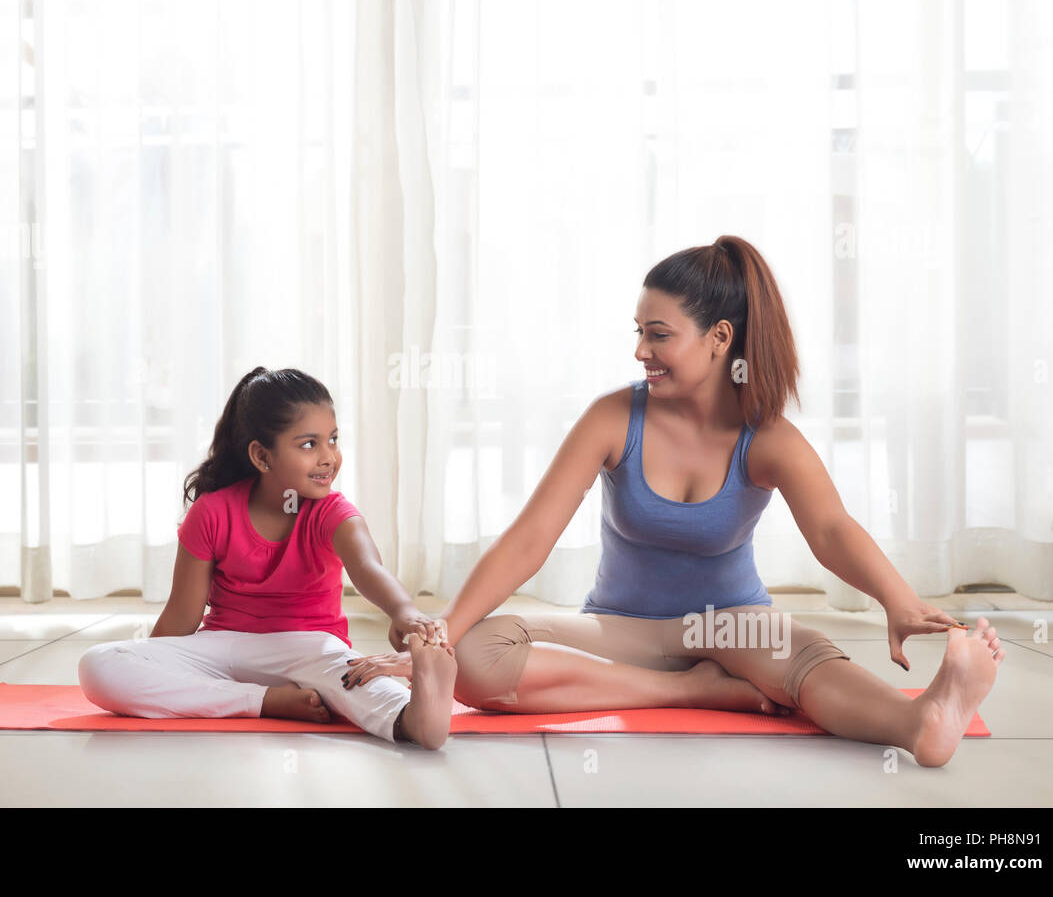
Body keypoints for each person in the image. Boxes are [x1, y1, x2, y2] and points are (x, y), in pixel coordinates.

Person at [346, 235, 1004, 767]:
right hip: (619, 629)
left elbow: (831, 529)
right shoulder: (613, 418)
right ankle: (692, 689)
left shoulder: (766, 436)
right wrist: (434, 646)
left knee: (799, 650)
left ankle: (921, 721)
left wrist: (897, 598)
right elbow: (528, 540)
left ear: (719, 338)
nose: (640, 351)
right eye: (638, 332)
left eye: (658, 334)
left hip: (730, 627)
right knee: (481, 652)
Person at [77, 367, 457, 749]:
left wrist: (404, 612)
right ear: (262, 456)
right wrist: (158, 660)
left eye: (333, 440)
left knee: (353, 678)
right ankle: (263, 701)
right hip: (225, 649)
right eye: (309, 444)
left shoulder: (333, 512)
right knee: (98, 666)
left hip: (311, 648)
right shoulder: (212, 512)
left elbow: (368, 567)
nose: (329, 457)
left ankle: (419, 716)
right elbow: (181, 617)